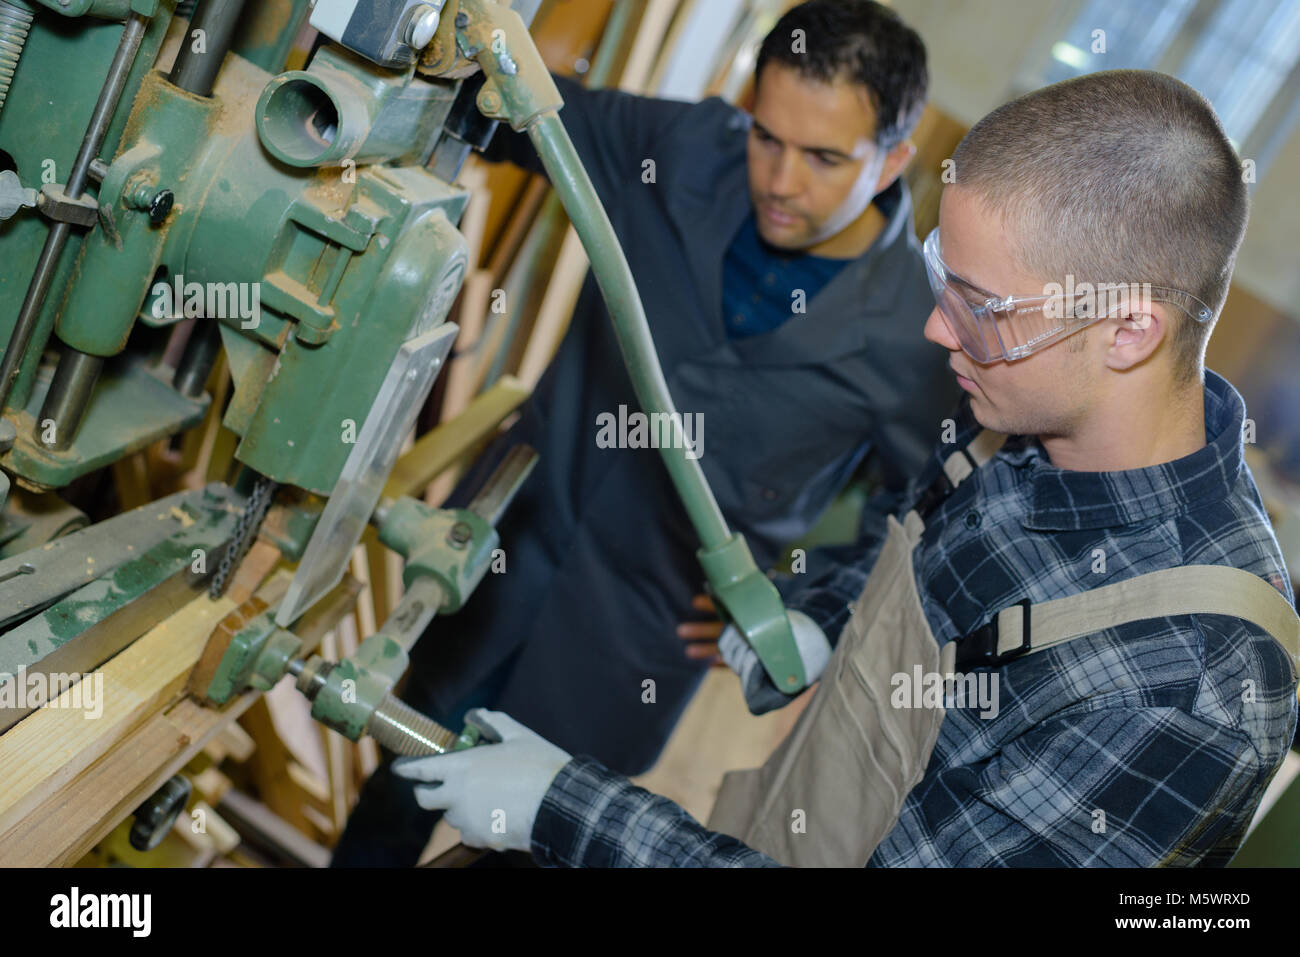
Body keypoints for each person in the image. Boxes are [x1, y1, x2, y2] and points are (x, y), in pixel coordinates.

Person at [392, 68, 1300, 867]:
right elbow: (907, 523)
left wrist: (564, 808)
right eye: (944, 274)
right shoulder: (1018, 407)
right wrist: (824, 614)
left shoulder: (1189, 685)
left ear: (1129, 330)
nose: (939, 329)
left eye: (980, 306)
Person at [332, 0, 957, 866]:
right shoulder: (683, 150)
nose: (780, 180)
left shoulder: (915, 339)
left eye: (823, 158)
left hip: (638, 635)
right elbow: (514, 114)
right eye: (766, 136)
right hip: (502, 549)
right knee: (401, 776)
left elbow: (909, 505)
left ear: (893, 159)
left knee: (538, 842)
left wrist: (805, 596)